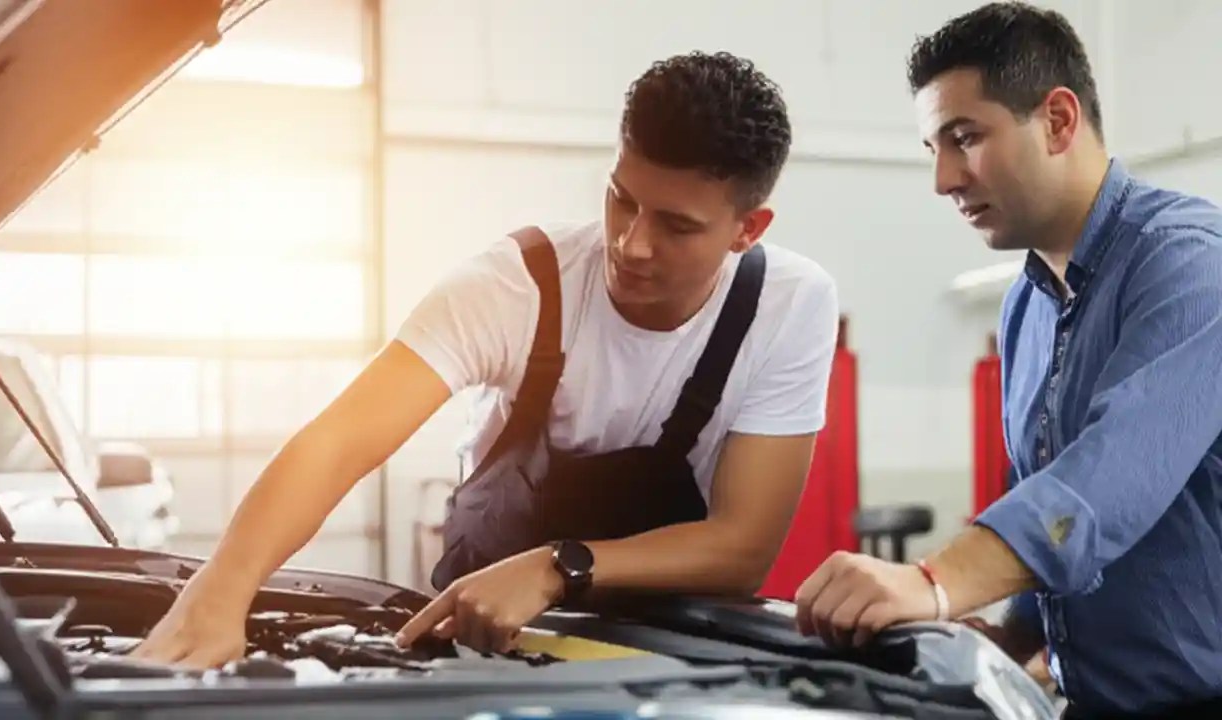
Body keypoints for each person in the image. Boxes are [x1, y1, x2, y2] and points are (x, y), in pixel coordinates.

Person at [133, 50, 840, 667]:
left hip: (669, 652)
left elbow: (743, 546)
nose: (631, 244)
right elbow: (340, 440)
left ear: (748, 228)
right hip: (475, 641)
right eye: (622, 199)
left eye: (677, 225)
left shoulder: (786, 306)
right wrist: (220, 591)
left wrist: (557, 567)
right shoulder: (517, 284)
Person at [792, 3, 1222, 718]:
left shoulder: (1191, 263)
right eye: (933, 148)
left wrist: (933, 580)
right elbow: (1042, 492)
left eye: (964, 138)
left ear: (1058, 120)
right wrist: (1006, 633)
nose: (945, 179)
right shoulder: (1026, 306)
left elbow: (1101, 486)